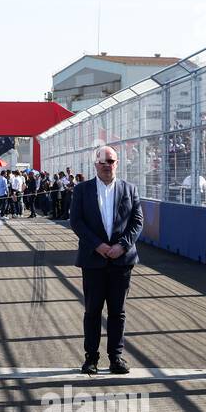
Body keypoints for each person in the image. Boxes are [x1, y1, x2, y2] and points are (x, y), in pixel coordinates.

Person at [69, 146, 144, 375]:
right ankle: (91, 358)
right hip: (94, 260)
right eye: (102, 162)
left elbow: (137, 222)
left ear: (117, 163)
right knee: (92, 311)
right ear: (95, 165)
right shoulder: (82, 190)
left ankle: (116, 357)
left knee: (117, 312)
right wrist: (98, 245)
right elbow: (77, 221)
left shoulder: (129, 189)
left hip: (121, 261)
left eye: (110, 161)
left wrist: (122, 246)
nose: (106, 165)